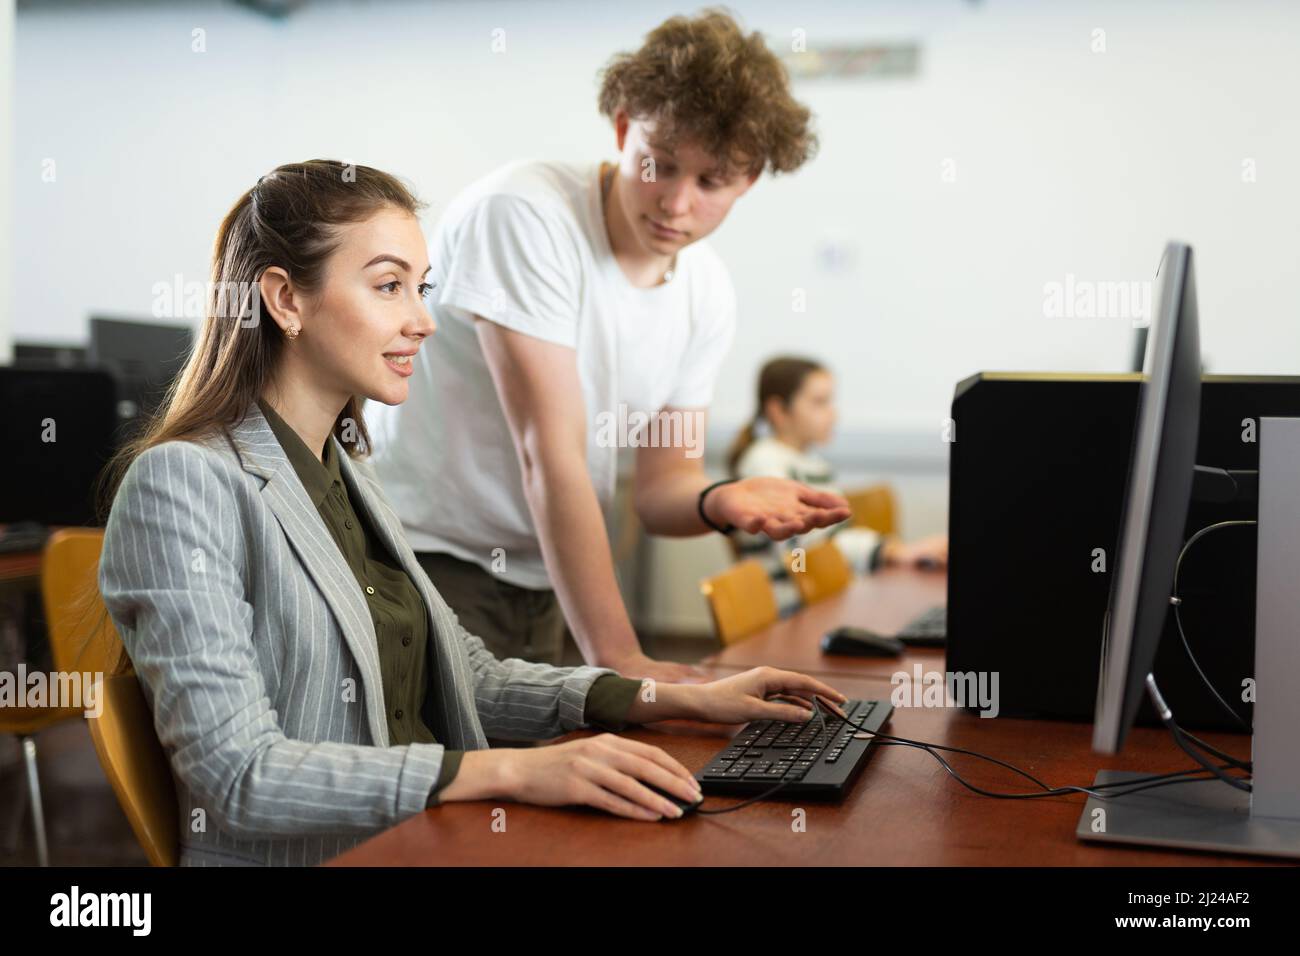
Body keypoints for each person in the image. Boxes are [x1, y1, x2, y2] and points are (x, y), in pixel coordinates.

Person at [95, 161, 849, 867]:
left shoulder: (349, 472)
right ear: (286, 299)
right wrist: (508, 774)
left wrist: (671, 698)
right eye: (390, 287)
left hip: (422, 839)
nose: (423, 320)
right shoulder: (183, 484)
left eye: (424, 287)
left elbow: (470, 677)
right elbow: (239, 774)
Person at [366, 10, 848, 683]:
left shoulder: (705, 291)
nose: (677, 203)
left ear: (750, 180)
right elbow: (549, 452)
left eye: (711, 182)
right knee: (463, 778)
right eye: (661, 164)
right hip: (431, 557)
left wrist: (720, 499)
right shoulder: (524, 215)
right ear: (624, 129)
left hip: (544, 572)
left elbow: (664, 486)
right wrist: (622, 659)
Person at [728, 356, 948, 611]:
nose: (833, 413)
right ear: (778, 410)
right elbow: (805, 552)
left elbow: (832, 539)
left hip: (823, 593)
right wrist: (891, 551)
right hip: (793, 605)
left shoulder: (810, 461)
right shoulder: (764, 463)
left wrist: (895, 550)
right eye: (819, 403)